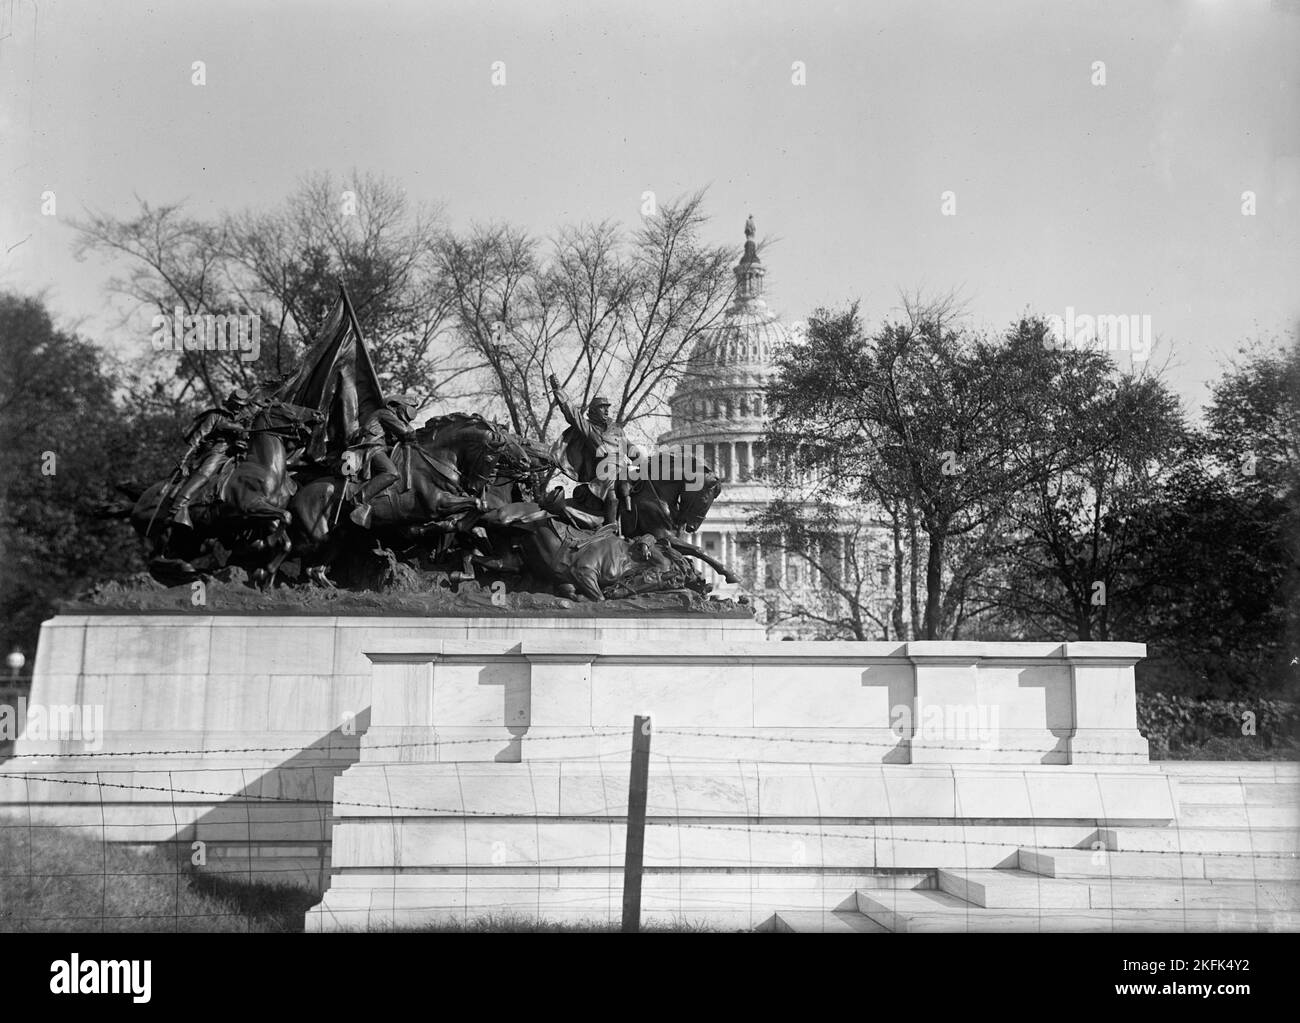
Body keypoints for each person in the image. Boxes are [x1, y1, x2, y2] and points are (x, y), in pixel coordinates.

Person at [548, 373, 631, 529]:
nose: (606, 411)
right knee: (612, 498)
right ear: (593, 411)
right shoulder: (589, 429)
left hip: (624, 470)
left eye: (607, 408)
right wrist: (558, 389)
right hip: (605, 475)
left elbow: (631, 450)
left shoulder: (617, 430)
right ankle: (610, 530)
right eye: (602, 408)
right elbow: (571, 413)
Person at [170, 388, 257, 527]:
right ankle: (177, 509)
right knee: (205, 474)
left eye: (242, 405)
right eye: (236, 404)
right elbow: (198, 437)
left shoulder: (246, 421)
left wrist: (242, 443)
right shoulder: (216, 416)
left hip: (237, 454)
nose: (239, 407)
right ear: (230, 403)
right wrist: (183, 460)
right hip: (217, 451)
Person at [346, 394, 420, 528]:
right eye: (409, 409)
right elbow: (405, 432)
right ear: (398, 407)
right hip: (370, 448)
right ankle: (358, 500)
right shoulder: (384, 414)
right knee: (391, 473)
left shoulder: (389, 417)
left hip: (381, 448)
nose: (410, 415)